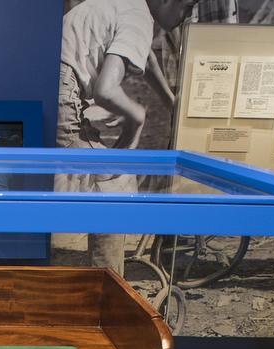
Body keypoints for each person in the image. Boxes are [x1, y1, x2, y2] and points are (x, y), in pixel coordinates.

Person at [57, 0, 193, 275]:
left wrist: (170, 100)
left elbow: (147, 58)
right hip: (65, 91)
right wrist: (136, 115)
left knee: (104, 174)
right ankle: (109, 289)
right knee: (115, 186)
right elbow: (105, 89)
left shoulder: (128, 5)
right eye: (186, 6)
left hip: (50, 81)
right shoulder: (138, 18)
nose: (186, 16)